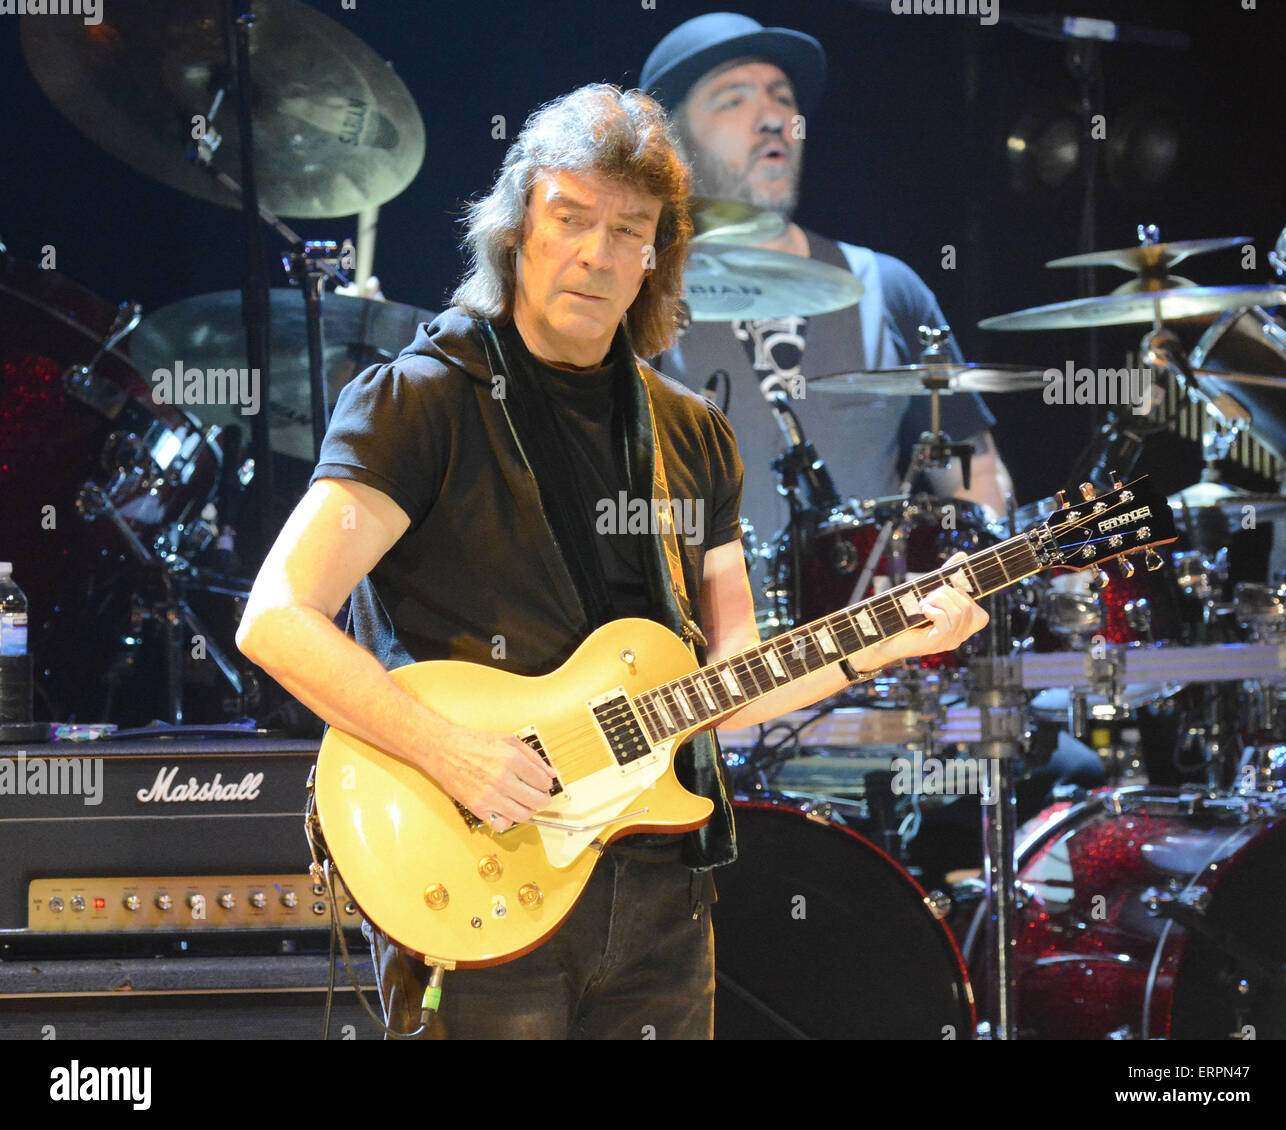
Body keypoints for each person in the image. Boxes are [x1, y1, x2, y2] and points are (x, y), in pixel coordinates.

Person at [235, 84, 988, 1040]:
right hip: (482, 865)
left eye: (629, 230)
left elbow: (730, 683)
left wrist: (888, 640)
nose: (597, 253)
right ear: (518, 231)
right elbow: (276, 616)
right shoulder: (420, 402)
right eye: (571, 218)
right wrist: (452, 754)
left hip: (659, 887)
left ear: (655, 257)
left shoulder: (692, 433)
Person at [639, 12, 1015, 553]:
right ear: (671, 143)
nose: (771, 116)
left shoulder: (888, 287)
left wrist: (983, 581)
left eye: (782, 97)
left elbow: (971, 465)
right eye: (733, 99)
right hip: (700, 636)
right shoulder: (638, 294)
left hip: (872, 631)